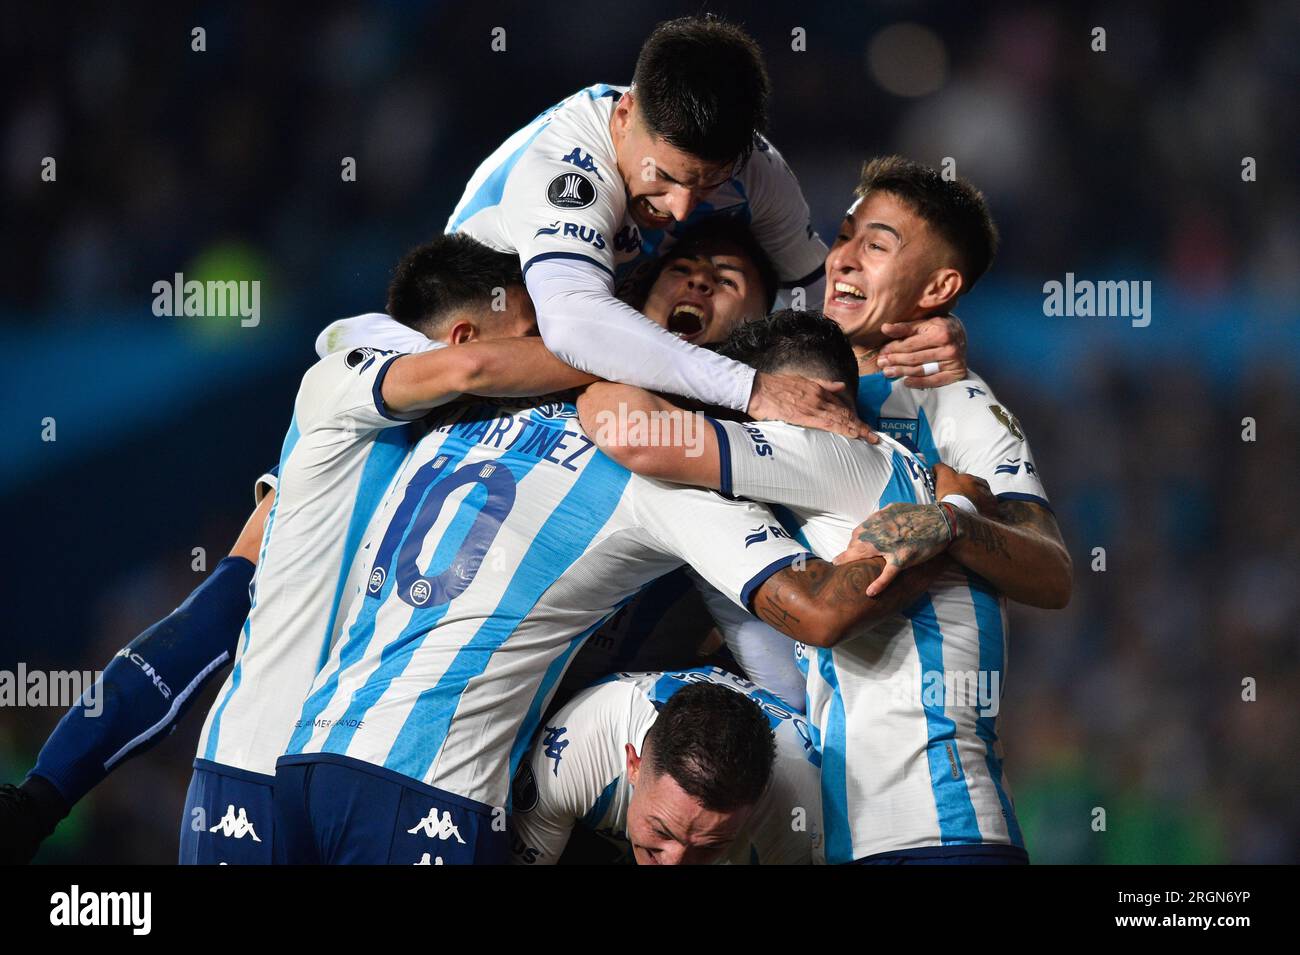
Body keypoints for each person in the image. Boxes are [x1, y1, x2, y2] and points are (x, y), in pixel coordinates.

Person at [578, 310, 1031, 863]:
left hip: (930, 833)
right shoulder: (903, 487)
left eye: (759, 404)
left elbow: (625, 427)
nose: (751, 419)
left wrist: (746, 390)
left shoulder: (833, 452)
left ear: (813, 396)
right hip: (929, 830)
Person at [822, 156, 1071, 608]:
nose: (842, 259)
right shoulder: (771, 365)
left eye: (875, 246)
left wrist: (951, 522)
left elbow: (1052, 574)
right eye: (842, 237)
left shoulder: (961, 406)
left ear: (938, 289)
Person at [510, 669, 821, 865]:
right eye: (661, 830)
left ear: (756, 805)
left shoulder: (803, 821)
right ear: (634, 764)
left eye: (709, 846)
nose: (676, 861)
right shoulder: (579, 749)